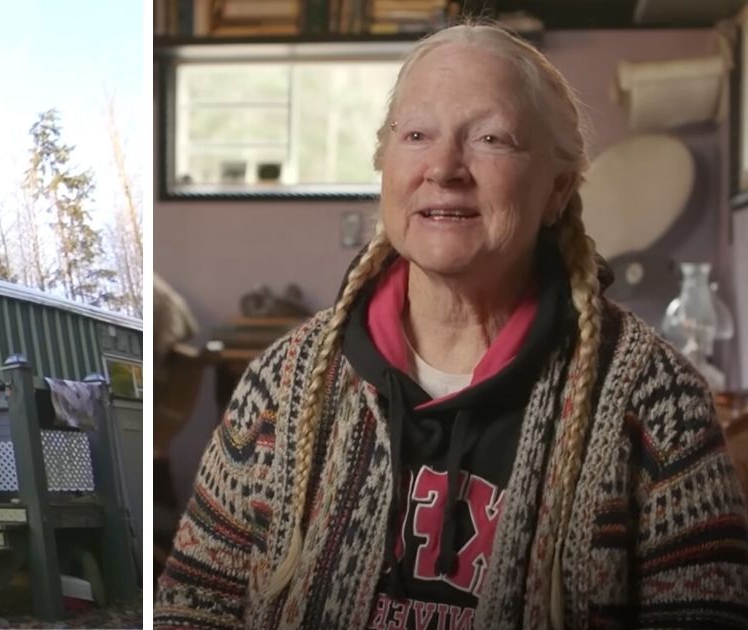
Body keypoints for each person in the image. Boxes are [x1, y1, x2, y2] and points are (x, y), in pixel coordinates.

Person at [154, 22, 748, 630]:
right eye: (415, 135)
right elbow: (192, 609)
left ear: (557, 189)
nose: (443, 167)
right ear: (386, 166)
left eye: (491, 138)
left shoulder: (657, 401)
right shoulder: (279, 387)